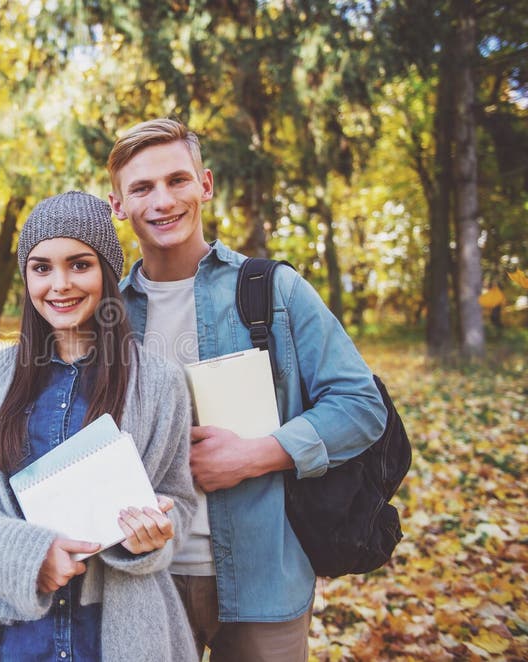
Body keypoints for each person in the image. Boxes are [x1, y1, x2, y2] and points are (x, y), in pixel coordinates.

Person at [106, 118, 388, 661]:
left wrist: (254, 456)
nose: (162, 200)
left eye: (177, 180)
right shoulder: (106, 315)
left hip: (264, 581)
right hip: (144, 581)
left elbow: (360, 406)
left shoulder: (273, 289)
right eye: (141, 188)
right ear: (118, 205)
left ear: (205, 185)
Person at [0, 191, 200, 662]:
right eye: (41, 268)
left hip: (120, 634)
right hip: (12, 636)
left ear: (106, 272)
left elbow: (176, 499)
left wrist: (153, 532)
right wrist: (29, 557)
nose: (59, 284)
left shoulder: (160, 383)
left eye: (79, 265)